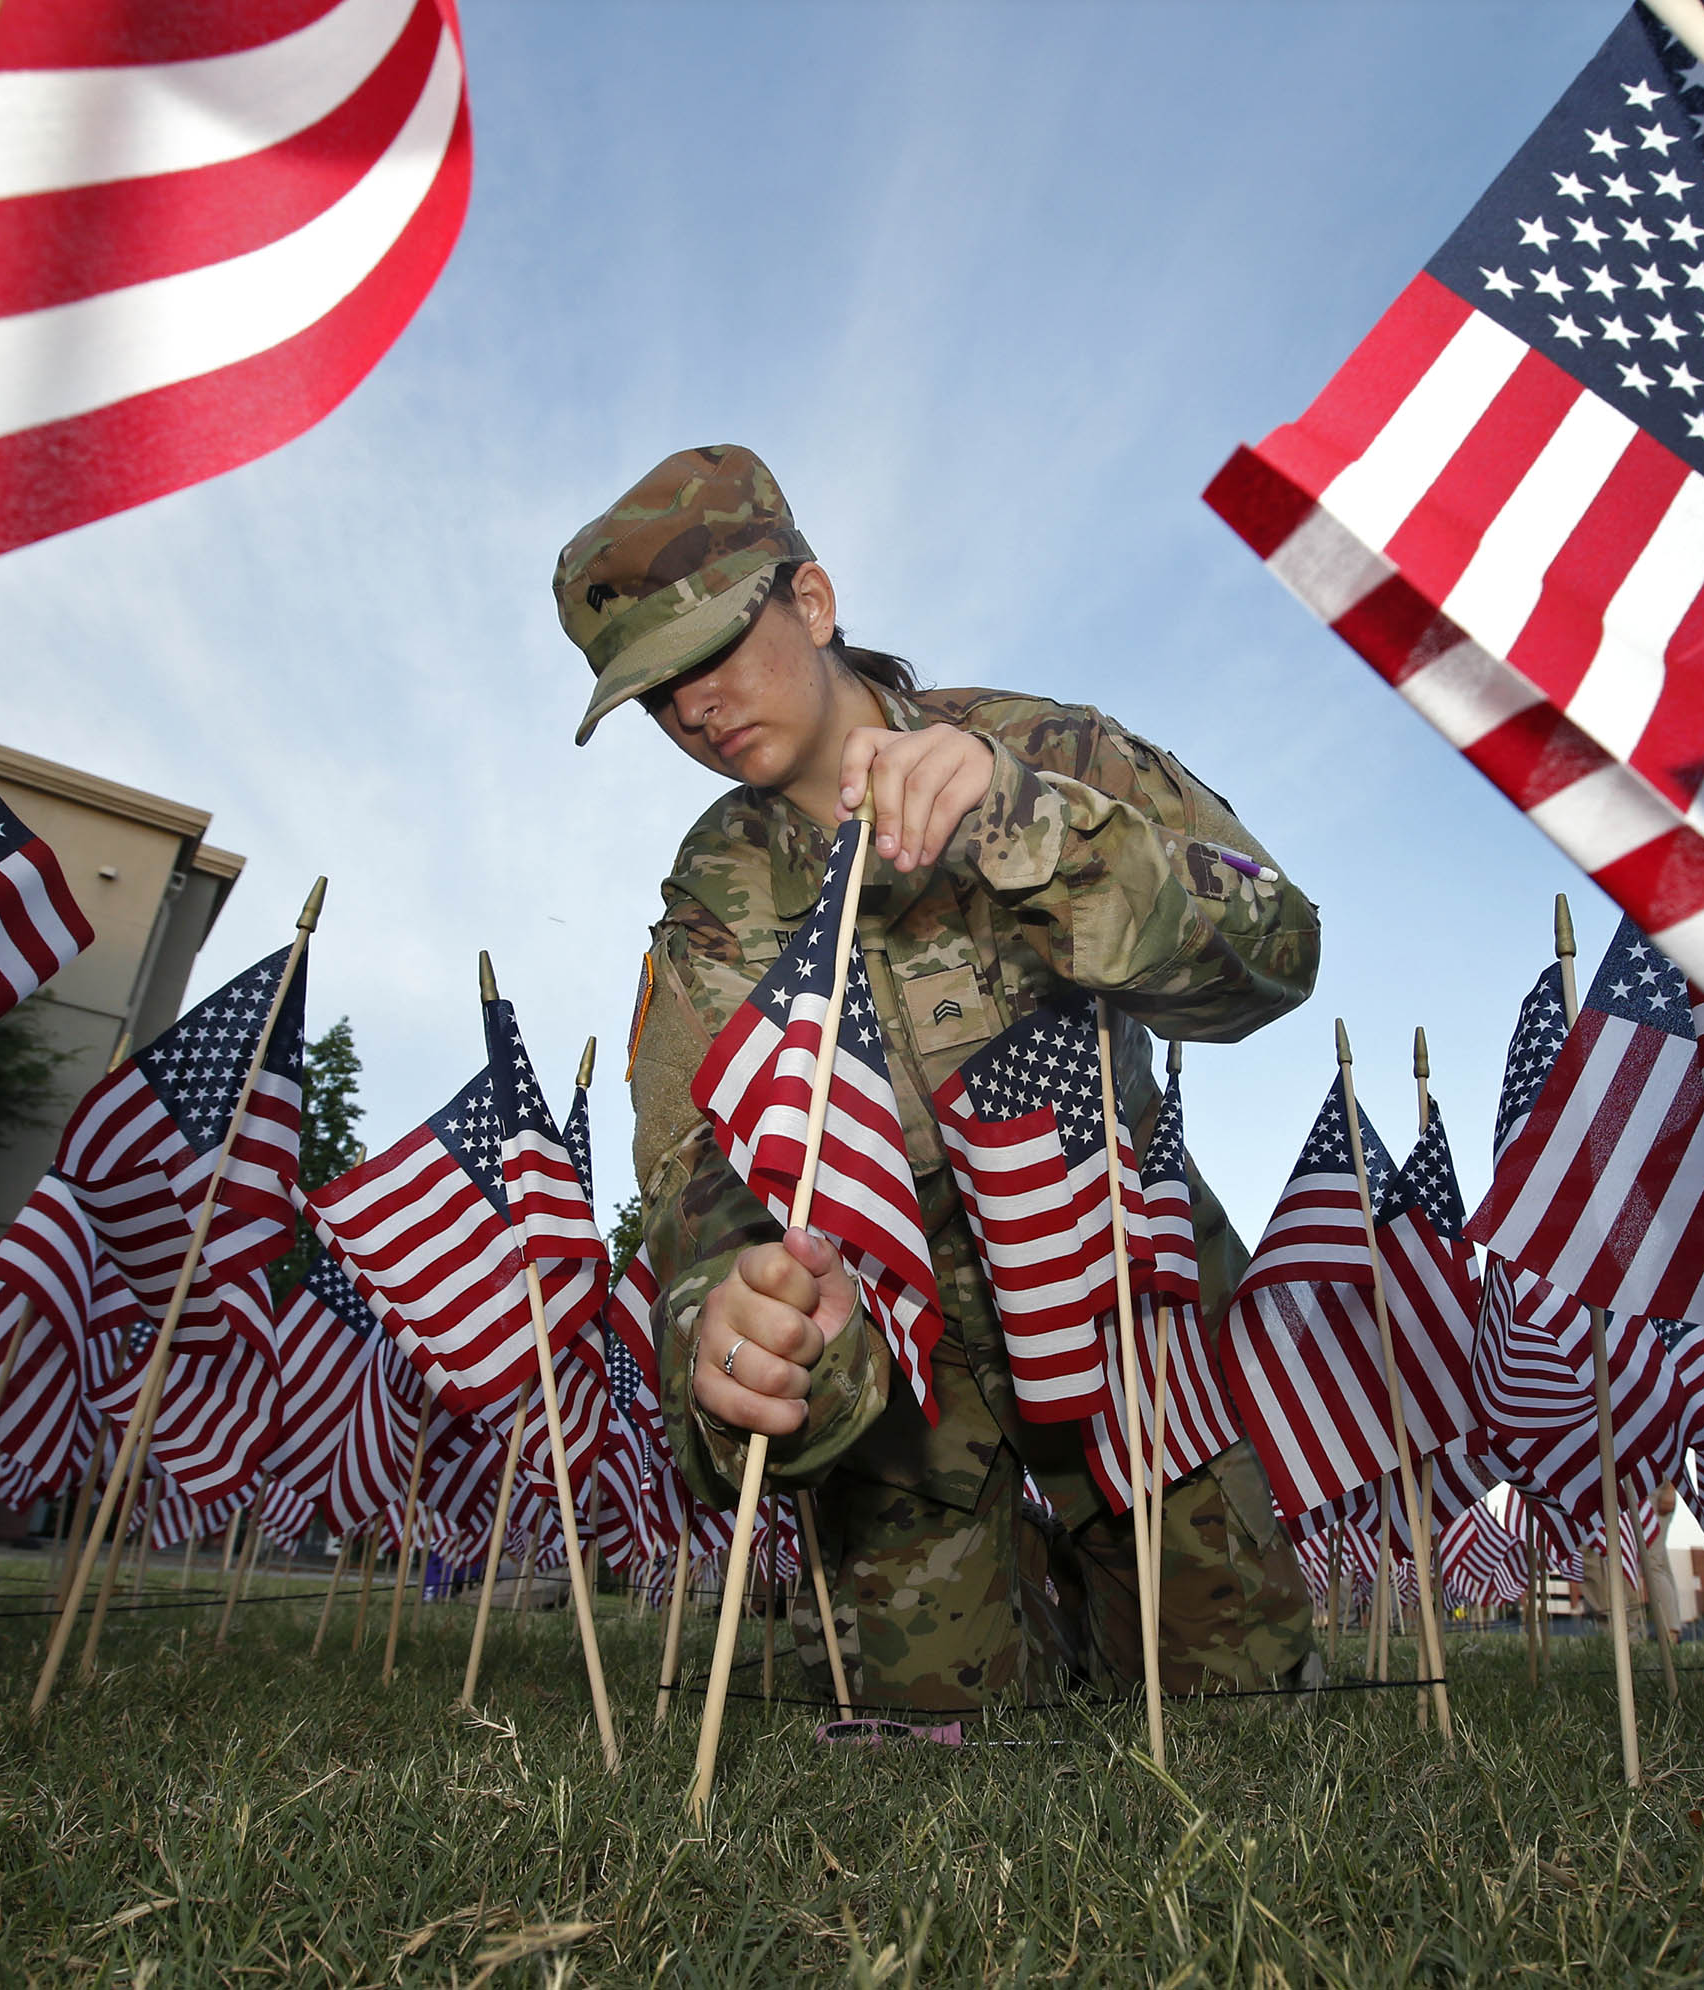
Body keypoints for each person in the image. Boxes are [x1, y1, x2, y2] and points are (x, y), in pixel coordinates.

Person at [563, 444, 1320, 1709]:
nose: (694, 709)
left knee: (1238, 1715)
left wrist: (1037, 828)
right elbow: (699, 1177)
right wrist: (727, 1319)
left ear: (812, 602)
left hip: (1107, 1290)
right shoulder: (712, 899)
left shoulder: (1046, 749)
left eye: (710, 653)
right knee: (917, 1746)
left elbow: (1276, 944)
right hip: (899, 1359)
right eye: (655, 692)